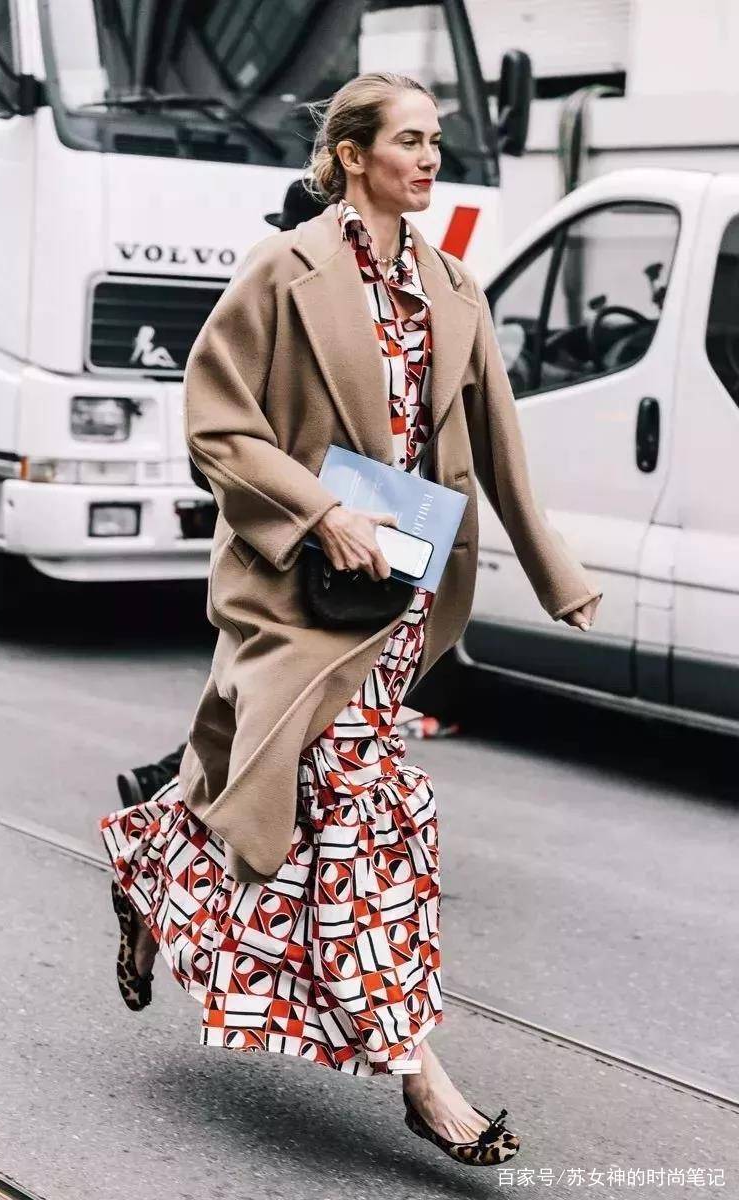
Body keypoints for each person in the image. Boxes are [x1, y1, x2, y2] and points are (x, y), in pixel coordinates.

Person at [99, 72, 602, 1170]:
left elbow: (496, 438)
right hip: (302, 590)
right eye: (410, 140)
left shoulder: (452, 284)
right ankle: (422, 1078)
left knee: (319, 805)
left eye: (435, 141)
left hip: (401, 592)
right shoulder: (287, 269)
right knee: (368, 820)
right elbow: (217, 422)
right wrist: (321, 513)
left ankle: (148, 865)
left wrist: (551, 567)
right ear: (350, 156)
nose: (429, 158)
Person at [114, 179, 330, 810]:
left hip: (283, 532)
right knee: (270, 695)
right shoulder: (278, 297)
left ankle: (174, 792)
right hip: (290, 537)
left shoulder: (281, 296)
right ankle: (175, 797)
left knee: (262, 691)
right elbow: (210, 435)